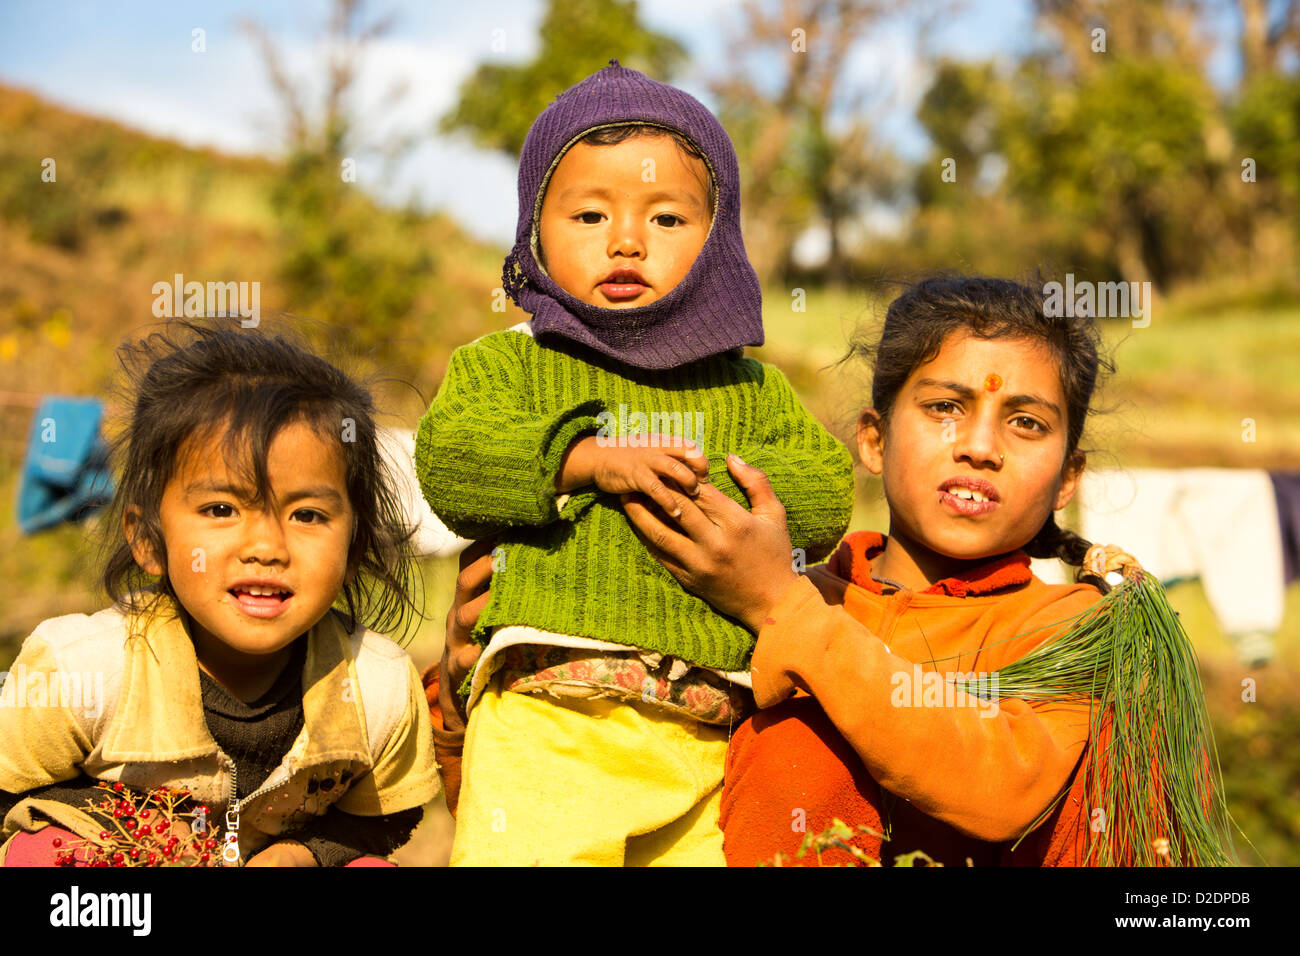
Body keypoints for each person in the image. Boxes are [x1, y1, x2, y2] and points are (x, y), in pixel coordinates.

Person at [414, 60, 854, 865]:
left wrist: (690, 479)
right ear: (533, 229)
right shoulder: (505, 364)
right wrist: (588, 461)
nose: (625, 242)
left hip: (711, 735)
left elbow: (823, 493)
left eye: (666, 219)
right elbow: (451, 462)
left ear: (717, 237)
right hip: (549, 720)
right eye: (588, 214)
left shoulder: (750, 384)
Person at [621, 275, 1148, 865]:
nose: (980, 446)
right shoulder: (764, 586)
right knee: (794, 744)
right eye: (945, 407)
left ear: (1067, 479)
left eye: (1025, 422)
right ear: (874, 440)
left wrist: (785, 607)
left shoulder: (1072, 629)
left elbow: (1004, 787)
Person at [0, 321, 439, 867]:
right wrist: (138, 840)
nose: (266, 546)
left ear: (353, 551)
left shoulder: (376, 687)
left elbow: (384, 819)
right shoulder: (80, 673)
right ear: (147, 541)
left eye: (307, 515)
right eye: (221, 510)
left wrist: (304, 854)